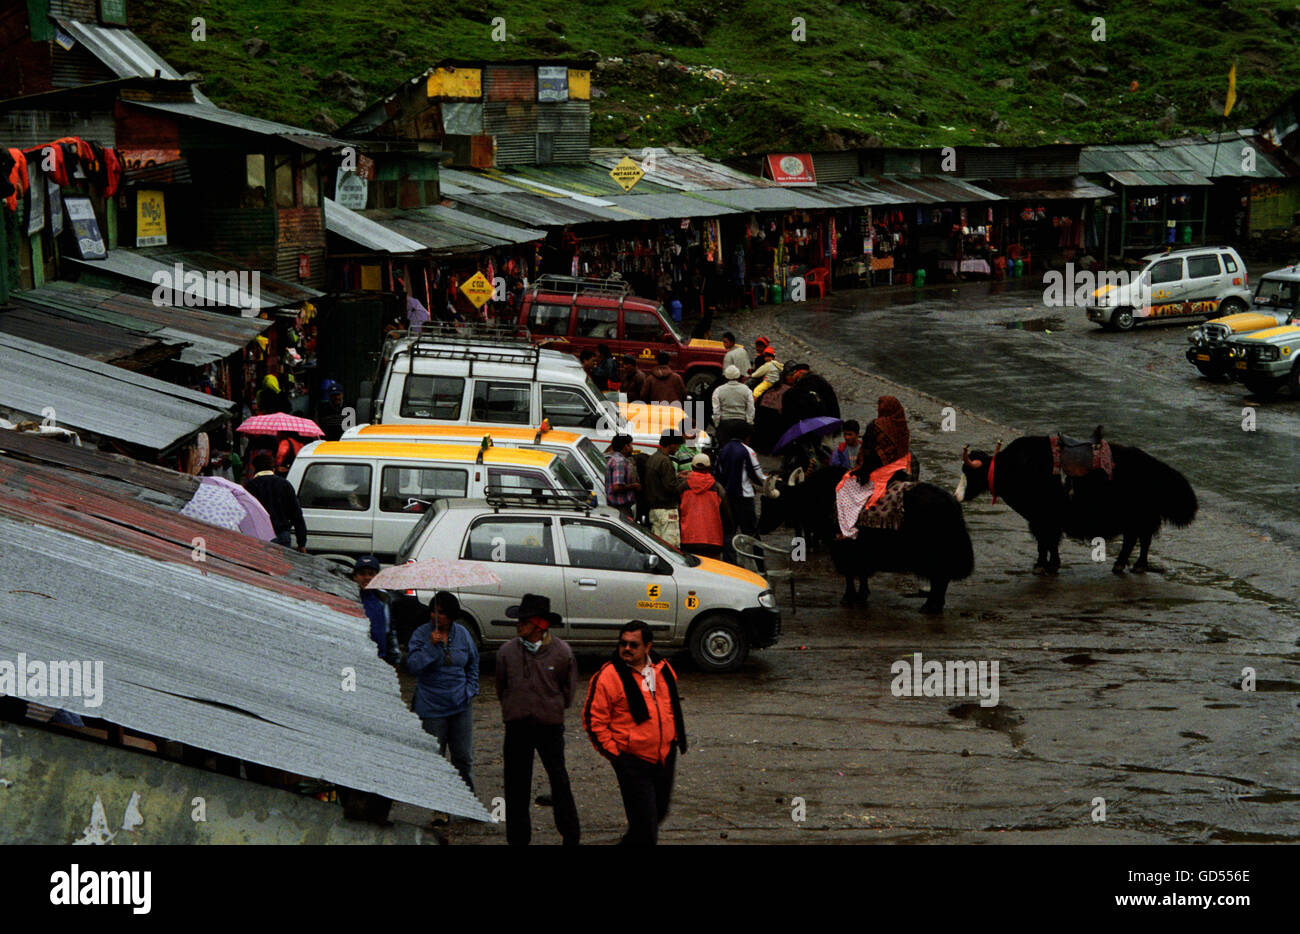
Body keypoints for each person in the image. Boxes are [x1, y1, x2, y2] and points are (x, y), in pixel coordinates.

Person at [583, 621, 687, 846]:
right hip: (633, 761)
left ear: (648, 647)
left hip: (665, 756)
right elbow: (594, 722)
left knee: (657, 814)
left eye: (633, 644)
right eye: (623, 644)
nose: (626, 649)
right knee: (646, 829)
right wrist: (618, 757)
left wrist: (675, 738)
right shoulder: (608, 676)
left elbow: (670, 707)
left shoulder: (662, 668)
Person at [497, 593, 581, 846]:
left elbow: (568, 692)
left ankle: (571, 836)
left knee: (559, 781)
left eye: (524, 620)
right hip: (517, 727)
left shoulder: (562, 653)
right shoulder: (506, 652)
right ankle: (518, 841)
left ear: (541, 624)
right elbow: (501, 688)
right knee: (515, 787)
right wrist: (515, 708)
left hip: (549, 727)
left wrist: (548, 709)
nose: (518, 624)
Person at [408, 591, 479, 793]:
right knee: (435, 757)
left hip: (460, 704)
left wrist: (470, 689)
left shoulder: (463, 634)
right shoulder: (421, 635)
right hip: (431, 706)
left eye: (441, 613)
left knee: (463, 758)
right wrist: (430, 647)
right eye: (433, 612)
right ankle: (440, 807)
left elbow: (473, 664)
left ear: (452, 615)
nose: (436, 616)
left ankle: (468, 801)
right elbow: (413, 666)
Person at [715, 425, 767, 570]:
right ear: (747, 437)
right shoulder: (747, 451)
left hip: (726, 498)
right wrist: (769, 482)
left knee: (729, 533)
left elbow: (718, 474)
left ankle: (730, 566)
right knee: (752, 533)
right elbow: (757, 475)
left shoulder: (723, 451)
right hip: (744, 498)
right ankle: (760, 566)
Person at [245, 452, 307, 551]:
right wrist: (301, 543)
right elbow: (297, 515)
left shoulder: (250, 486)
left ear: (254, 468)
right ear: (273, 468)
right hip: (282, 534)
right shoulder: (285, 484)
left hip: (260, 535)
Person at [679, 453, 731, 559]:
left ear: (692, 467)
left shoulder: (683, 486)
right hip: (713, 540)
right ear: (709, 468)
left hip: (688, 538)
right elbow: (727, 516)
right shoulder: (717, 487)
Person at [351, 555, 400, 665]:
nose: (367, 577)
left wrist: (394, 656)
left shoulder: (384, 599)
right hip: (358, 655)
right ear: (355, 577)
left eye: (371, 574)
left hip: (379, 657)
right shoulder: (352, 599)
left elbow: (390, 630)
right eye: (362, 573)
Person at [644, 431, 689, 545]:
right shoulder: (665, 461)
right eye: (678, 445)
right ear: (672, 444)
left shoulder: (653, 458)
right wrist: (686, 481)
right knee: (670, 547)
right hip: (666, 510)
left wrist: (677, 476)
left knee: (659, 547)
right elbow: (671, 488)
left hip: (654, 509)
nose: (678, 448)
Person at [861, 396, 911, 471]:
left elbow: (867, 449)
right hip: (901, 465)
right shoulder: (902, 426)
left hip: (878, 467)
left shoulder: (876, 425)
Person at [604, 433, 640, 520]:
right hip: (620, 507)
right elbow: (617, 487)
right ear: (625, 447)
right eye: (631, 445)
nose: (632, 448)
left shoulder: (615, 459)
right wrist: (634, 486)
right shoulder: (619, 462)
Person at [711, 364, 755, 431]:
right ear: (738, 376)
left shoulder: (718, 390)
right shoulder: (746, 390)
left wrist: (717, 425)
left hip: (725, 424)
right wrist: (749, 423)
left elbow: (716, 410)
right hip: (741, 423)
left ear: (726, 376)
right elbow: (751, 408)